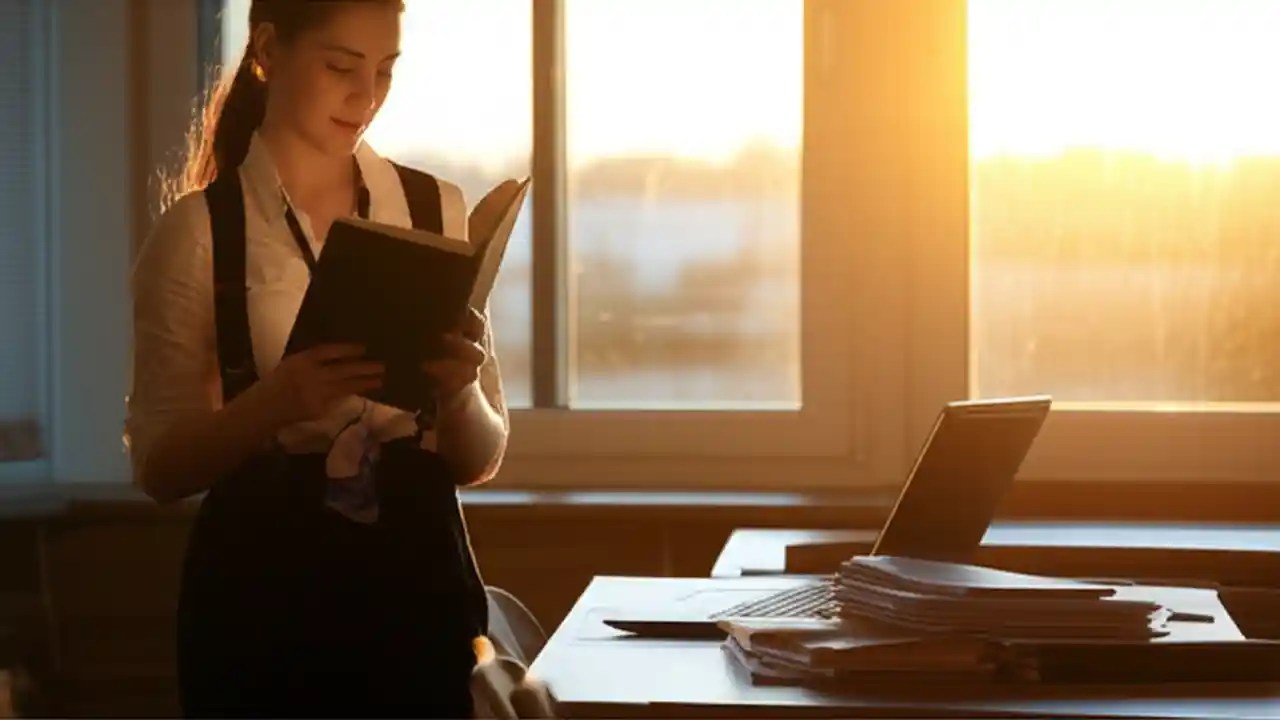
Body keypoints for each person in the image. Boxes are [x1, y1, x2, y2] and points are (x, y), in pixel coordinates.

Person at [124, 0, 509, 716]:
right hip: (260, 604)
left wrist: (459, 390)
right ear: (268, 51)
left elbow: (481, 456)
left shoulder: (435, 209)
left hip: (420, 591)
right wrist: (272, 405)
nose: (366, 97)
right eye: (340, 67)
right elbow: (159, 467)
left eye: (385, 71)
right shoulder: (200, 232)